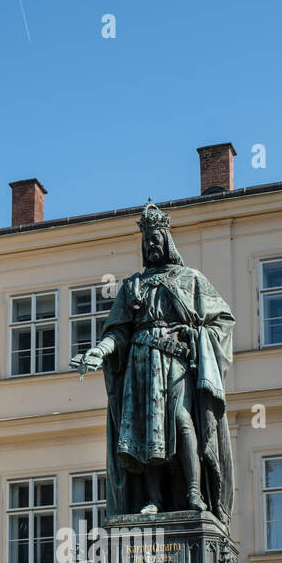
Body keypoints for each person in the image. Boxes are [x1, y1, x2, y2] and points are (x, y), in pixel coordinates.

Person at [72, 201, 235, 524]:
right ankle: (153, 500)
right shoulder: (132, 285)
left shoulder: (191, 280)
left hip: (176, 364)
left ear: (167, 241)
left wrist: (192, 333)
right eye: (146, 241)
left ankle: (192, 492)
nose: (150, 245)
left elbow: (223, 322)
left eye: (155, 239)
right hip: (140, 366)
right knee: (146, 432)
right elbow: (118, 333)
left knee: (182, 421)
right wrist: (99, 352)